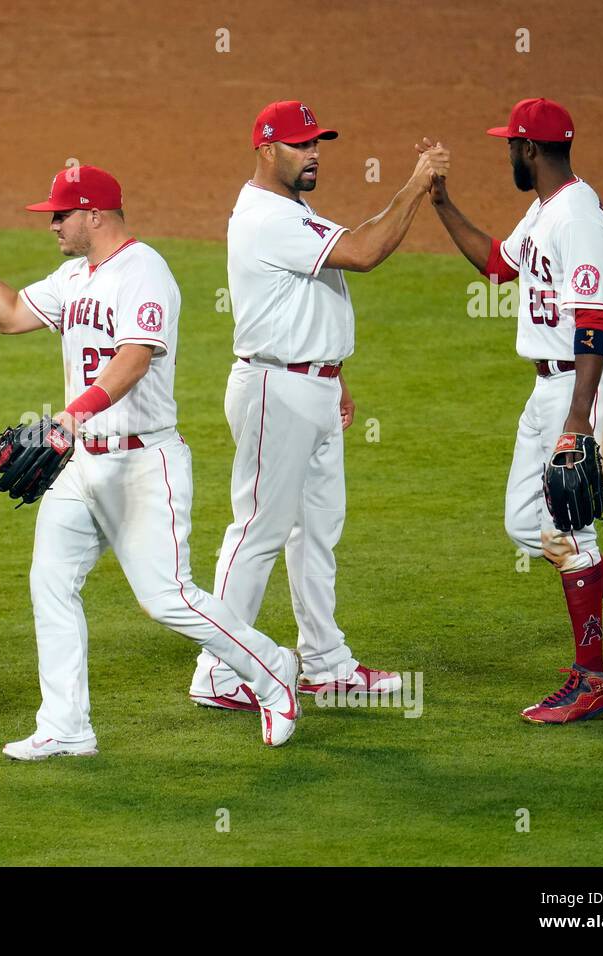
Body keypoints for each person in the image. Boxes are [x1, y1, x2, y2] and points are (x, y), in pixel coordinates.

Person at [0, 167, 300, 760]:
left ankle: (273, 671)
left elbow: (134, 358)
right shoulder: (75, 276)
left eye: (61, 214)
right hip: (82, 465)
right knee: (51, 584)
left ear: (95, 215)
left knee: (166, 596)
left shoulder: (144, 273)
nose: (53, 224)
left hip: (144, 464)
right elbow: (8, 313)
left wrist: (68, 415)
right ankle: (66, 726)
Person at [426, 98, 603, 722]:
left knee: (570, 528)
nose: (506, 152)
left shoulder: (578, 219)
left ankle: (588, 679)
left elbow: (593, 322)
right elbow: (498, 266)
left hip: (590, 387)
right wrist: (440, 204)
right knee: (527, 522)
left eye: (509, 144)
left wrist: (576, 422)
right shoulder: (544, 209)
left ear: (530, 150)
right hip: (552, 386)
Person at [190, 101, 447, 711]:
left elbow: (308, 295)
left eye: (317, 144)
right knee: (258, 530)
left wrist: (336, 374)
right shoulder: (265, 216)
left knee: (315, 533)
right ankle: (217, 670)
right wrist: (415, 185)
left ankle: (325, 663)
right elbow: (362, 252)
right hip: (277, 389)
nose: (314, 154)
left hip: (311, 386)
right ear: (265, 149)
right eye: (301, 145)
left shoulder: (290, 209)